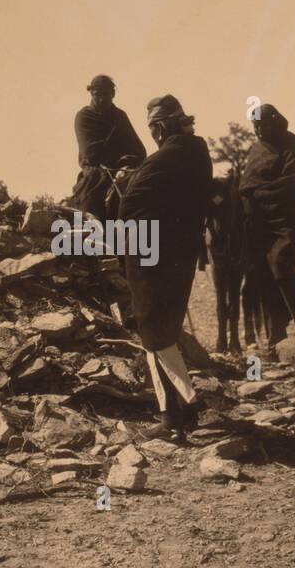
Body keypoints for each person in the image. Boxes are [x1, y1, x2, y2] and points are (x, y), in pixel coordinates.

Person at [119, 95, 213, 439]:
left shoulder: (166, 156)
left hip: (151, 256)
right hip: (180, 255)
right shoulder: (196, 153)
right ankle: (176, 412)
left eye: (154, 129)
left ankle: (182, 409)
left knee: (153, 332)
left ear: (160, 128)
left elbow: (132, 202)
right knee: (160, 332)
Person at [238, 103, 295, 349]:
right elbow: (244, 185)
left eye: (263, 124)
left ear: (275, 121)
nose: (260, 130)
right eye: (255, 126)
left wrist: (256, 194)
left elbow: (291, 181)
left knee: (281, 264)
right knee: (262, 273)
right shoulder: (255, 149)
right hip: (258, 223)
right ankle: (277, 331)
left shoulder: (291, 143)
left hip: (286, 219)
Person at [70, 74, 147, 222]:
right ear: (91, 94)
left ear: (113, 94)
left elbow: (139, 150)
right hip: (95, 174)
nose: (101, 99)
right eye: (97, 95)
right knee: (91, 213)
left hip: (124, 171)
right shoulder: (84, 117)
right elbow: (91, 153)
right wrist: (119, 153)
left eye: (106, 94)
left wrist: (126, 164)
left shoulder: (120, 116)